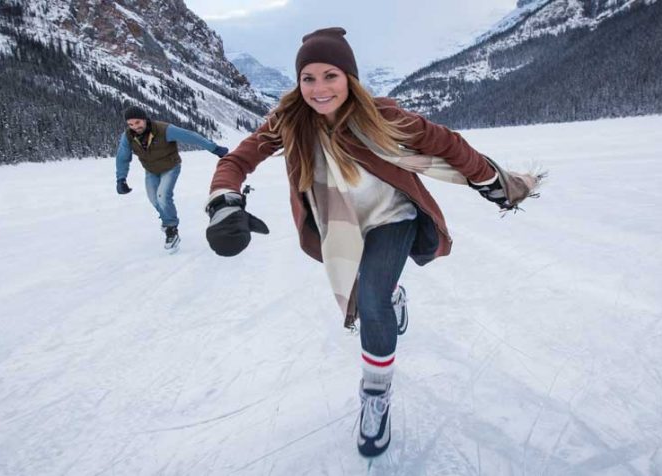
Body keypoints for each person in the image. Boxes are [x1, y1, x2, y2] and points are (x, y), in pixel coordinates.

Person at [203, 28, 542, 457]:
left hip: (392, 218)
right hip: (341, 227)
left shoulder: (382, 116)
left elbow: (448, 144)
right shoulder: (287, 123)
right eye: (308, 78)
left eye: (330, 75)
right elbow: (238, 160)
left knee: (372, 299)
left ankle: (376, 395)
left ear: (349, 77)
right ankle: (393, 292)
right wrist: (224, 201)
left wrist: (488, 178)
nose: (319, 88)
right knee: (374, 290)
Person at [115, 106, 230, 252]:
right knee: (154, 199)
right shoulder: (128, 137)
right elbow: (122, 158)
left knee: (163, 196)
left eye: (138, 122)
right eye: (130, 124)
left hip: (170, 167)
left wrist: (214, 148)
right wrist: (121, 179)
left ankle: (171, 228)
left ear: (144, 119)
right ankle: (167, 219)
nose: (135, 127)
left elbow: (191, 136)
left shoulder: (164, 130)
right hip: (151, 171)